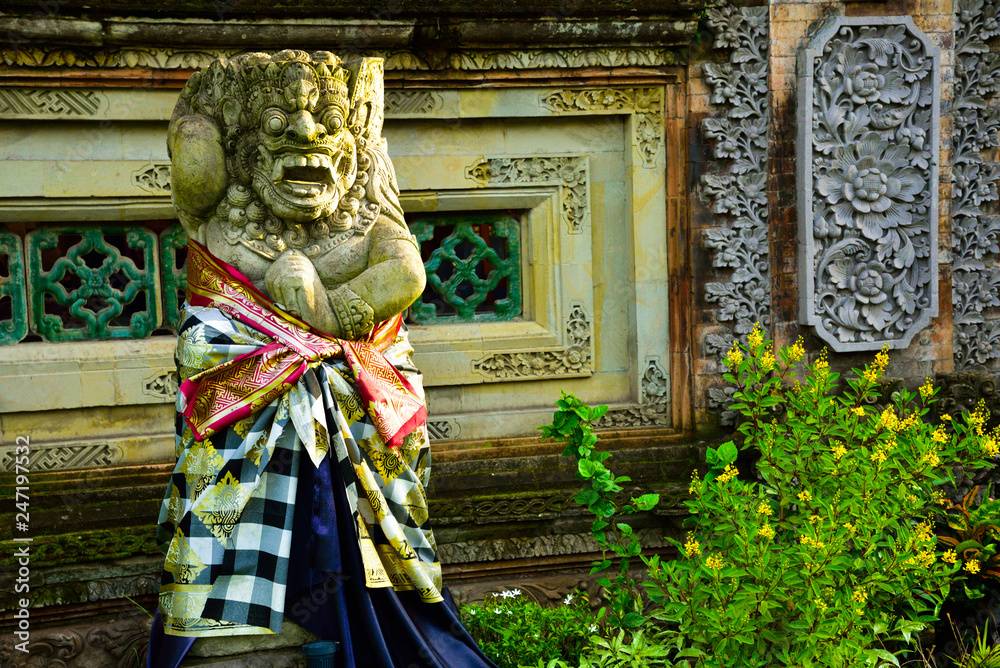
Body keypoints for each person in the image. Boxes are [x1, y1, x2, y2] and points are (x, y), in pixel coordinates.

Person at [147, 50, 496, 668]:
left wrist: (327, 311)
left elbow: (407, 273)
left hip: (354, 388)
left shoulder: (368, 215)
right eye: (279, 127)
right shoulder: (220, 217)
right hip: (242, 389)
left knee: (353, 409)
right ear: (242, 149)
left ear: (355, 142)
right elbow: (195, 167)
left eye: (328, 122)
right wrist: (202, 118)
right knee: (229, 448)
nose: (308, 134)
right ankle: (234, 610)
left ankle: (350, 600)